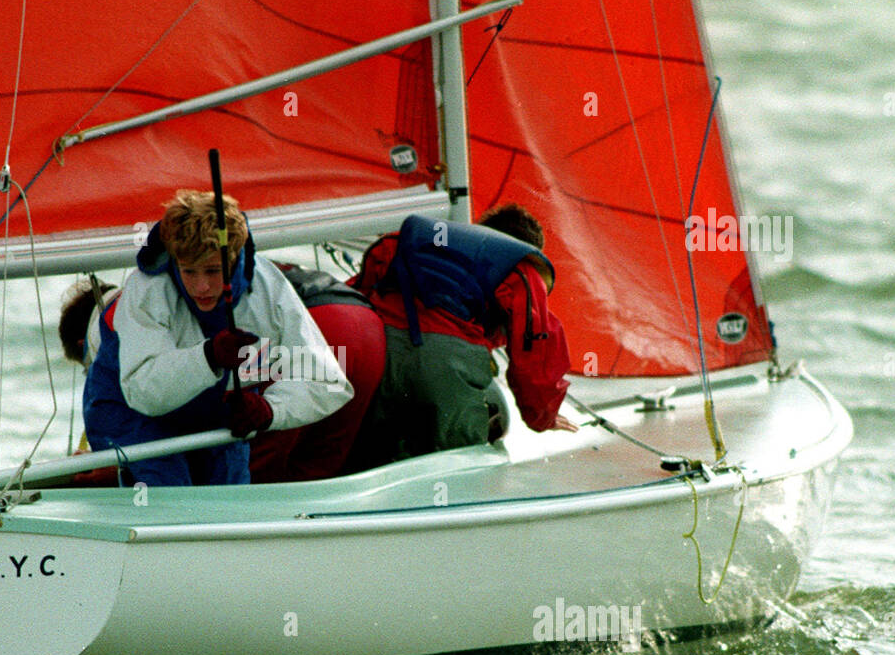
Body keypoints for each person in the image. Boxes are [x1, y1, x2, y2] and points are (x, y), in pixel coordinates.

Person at [77, 189, 352, 486]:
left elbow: (329, 381)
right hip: (128, 409)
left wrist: (270, 410)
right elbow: (144, 393)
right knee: (168, 487)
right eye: (189, 271)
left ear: (233, 259)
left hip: (215, 408)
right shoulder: (146, 290)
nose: (202, 286)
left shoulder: (269, 289)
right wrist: (209, 357)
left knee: (231, 497)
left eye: (212, 270)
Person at [348, 205, 576, 468]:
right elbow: (535, 354)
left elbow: (357, 293)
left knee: (368, 462)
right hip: (447, 364)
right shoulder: (520, 266)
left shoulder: (410, 241)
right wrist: (541, 417)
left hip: (374, 351)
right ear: (528, 247)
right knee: (458, 466)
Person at [247, 265, 386, 483]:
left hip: (326, 327)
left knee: (261, 456)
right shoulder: (261, 268)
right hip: (367, 329)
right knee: (320, 464)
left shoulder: (218, 278)